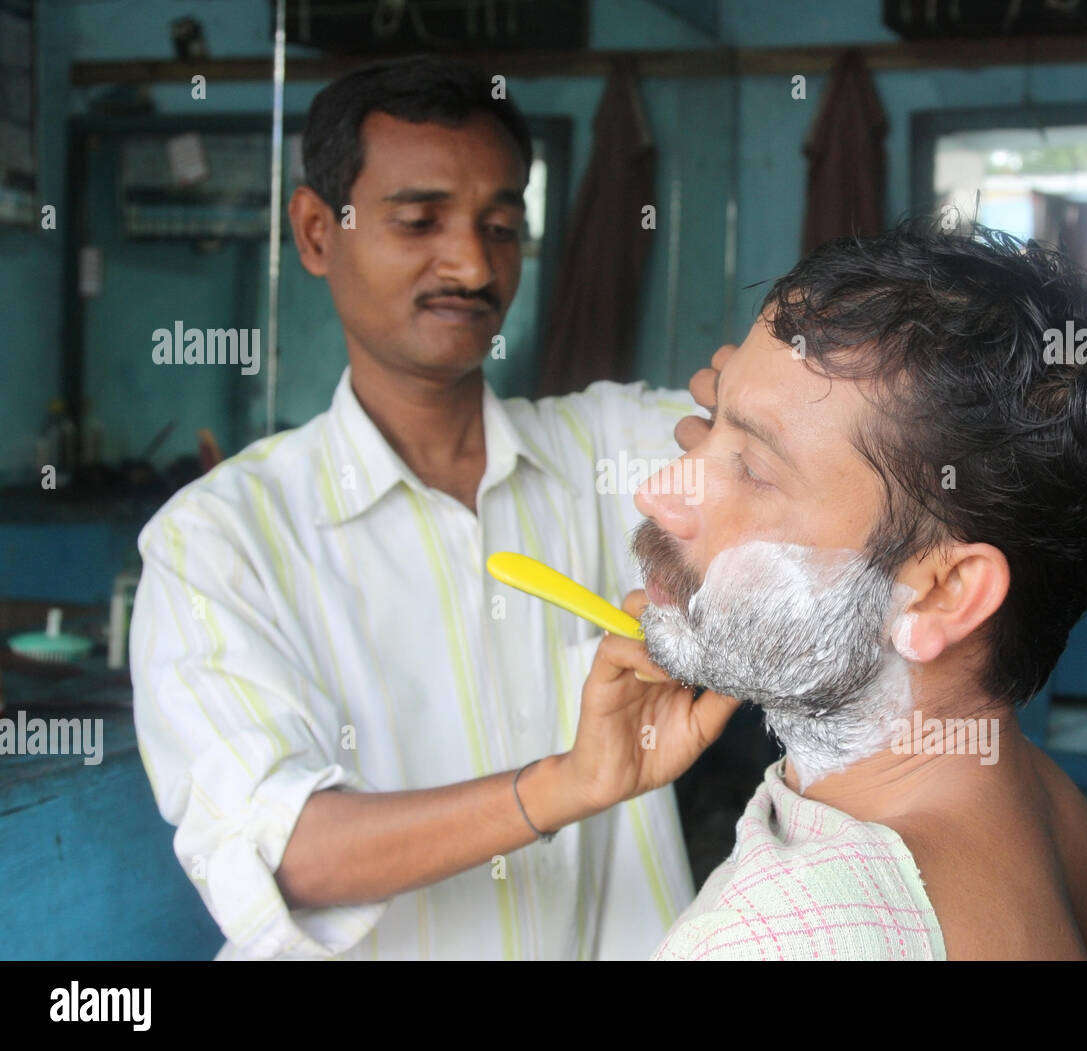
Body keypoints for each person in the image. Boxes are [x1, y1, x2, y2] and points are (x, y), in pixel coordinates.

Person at [129, 54, 739, 960]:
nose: (471, 262)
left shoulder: (613, 450)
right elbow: (291, 848)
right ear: (314, 232)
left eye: (501, 225)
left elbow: (792, 460)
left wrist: (770, 401)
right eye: (420, 220)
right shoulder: (220, 540)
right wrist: (561, 785)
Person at [627, 220, 1087, 960]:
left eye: (753, 469)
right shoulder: (1032, 796)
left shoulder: (766, 942)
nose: (659, 493)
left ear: (943, 593)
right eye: (710, 426)